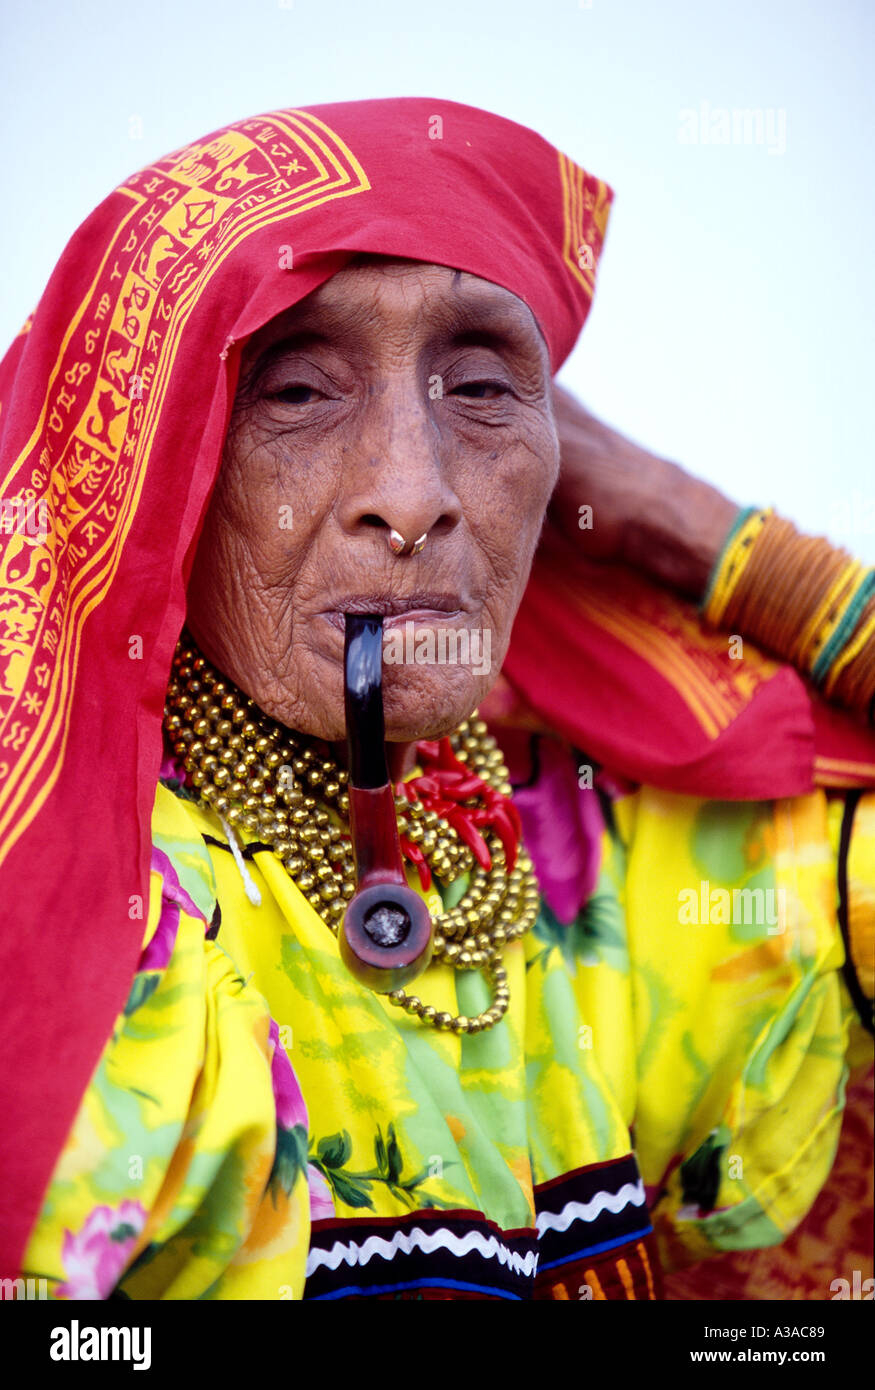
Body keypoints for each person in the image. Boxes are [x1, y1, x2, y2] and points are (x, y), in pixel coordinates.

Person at [0, 97, 871, 1302]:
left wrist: (684, 523)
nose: (410, 497)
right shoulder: (91, 923)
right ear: (163, 458)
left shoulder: (607, 854)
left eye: (479, 387)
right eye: (296, 393)